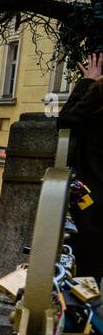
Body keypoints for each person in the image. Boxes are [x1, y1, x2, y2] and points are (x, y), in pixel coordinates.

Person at [58, 51, 103, 276]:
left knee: (87, 270)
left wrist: (88, 83)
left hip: (92, 200)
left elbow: (66, 120)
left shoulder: (98, 99)